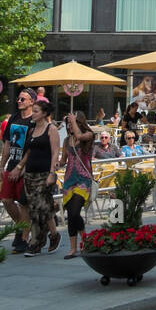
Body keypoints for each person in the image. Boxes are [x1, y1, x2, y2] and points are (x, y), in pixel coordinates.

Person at [11, 100, 62, 256]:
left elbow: (55, 153)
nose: (33, 114)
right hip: (30, 173)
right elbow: (29, 153)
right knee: (34, 208)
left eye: (36, 111)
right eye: (33, 111)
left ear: (44, 113)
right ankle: (44, 239)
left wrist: (52, 173)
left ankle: (43, 239)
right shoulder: (32, 130)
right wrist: (21, 167)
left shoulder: (51, 129)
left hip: (44, 172)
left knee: (42, 206)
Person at [0, 89, 36, 254]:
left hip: (24, 167)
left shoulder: (33, 121)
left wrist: (21, 167)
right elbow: (7, 143)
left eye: (23, 98)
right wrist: (2, 165)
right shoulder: (14, 118)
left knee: (23, 203)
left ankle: (22, 236)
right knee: (6, 199)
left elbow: (32, 148)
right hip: (11, 163)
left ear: (31, 102)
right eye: (19, 98)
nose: (19, 100)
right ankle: (22, 226)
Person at [57, 111, 94, 259]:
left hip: (83, 179)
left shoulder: (89, 136)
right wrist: (57, 163)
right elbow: (63, 160)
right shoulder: (67, 140)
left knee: (74, 212)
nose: (70, 126)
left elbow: (80, 136)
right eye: (68, 124)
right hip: (69, 180)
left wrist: (73, 121)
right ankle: (73, 247)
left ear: (79, 123)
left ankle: (85, 239)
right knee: (71, 215)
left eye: (72, 123)